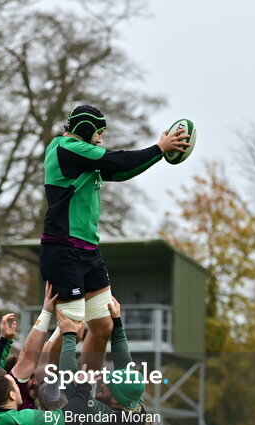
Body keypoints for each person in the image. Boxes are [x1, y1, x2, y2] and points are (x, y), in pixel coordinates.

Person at [40, 105, 189, 368]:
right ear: (85, 130)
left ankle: (88, 391)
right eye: (98, 133)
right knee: (72, 329)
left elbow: (120, 172)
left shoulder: (83, 155)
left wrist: (159, 154)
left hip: (88, 251)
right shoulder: (66, 148)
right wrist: (159, 148)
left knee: (103, 325)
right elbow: (117, 160)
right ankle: (39, 384)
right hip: (64, 249)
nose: (100, 139)